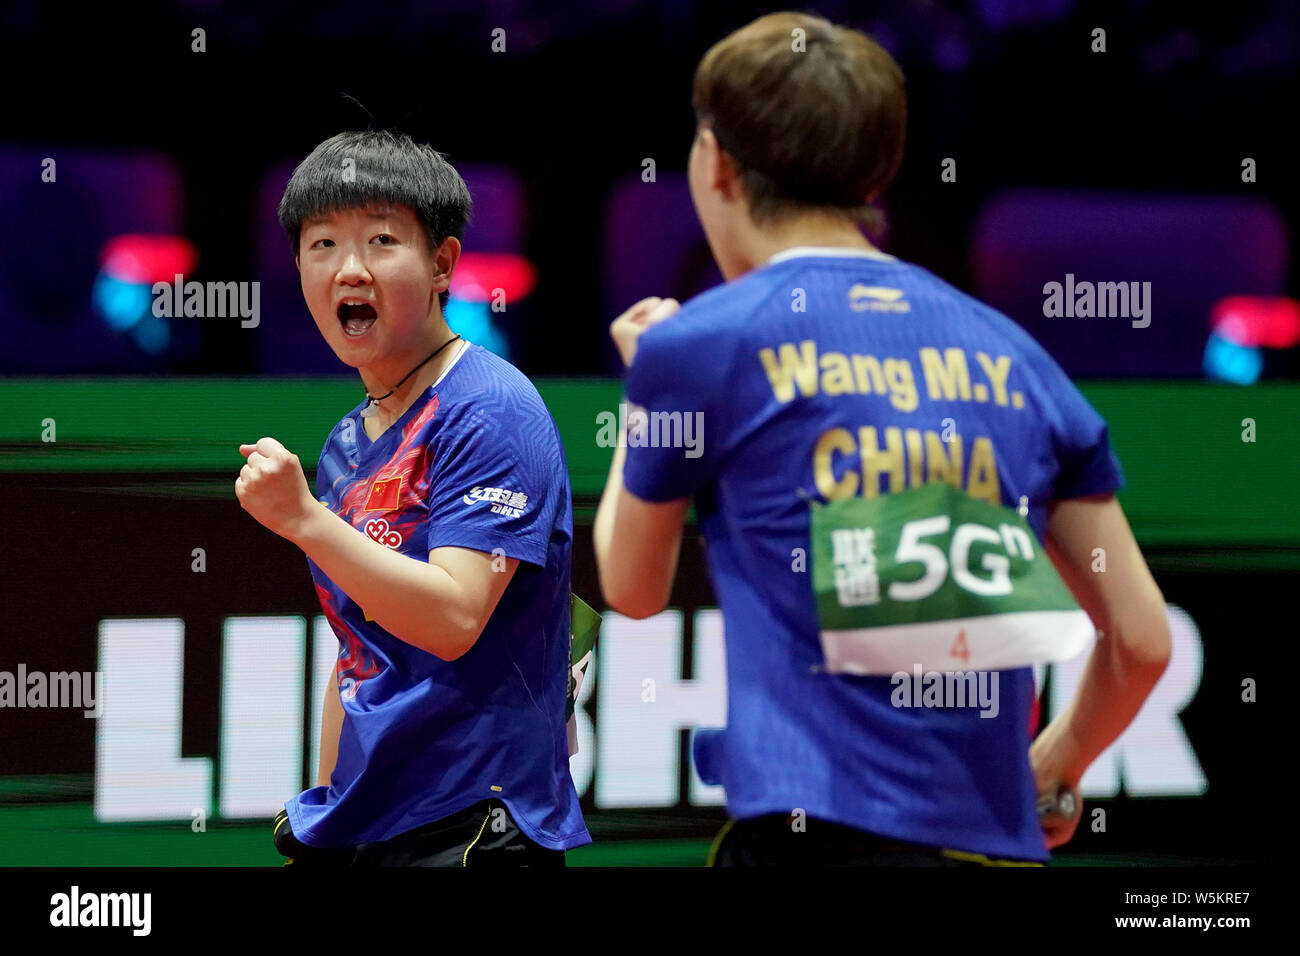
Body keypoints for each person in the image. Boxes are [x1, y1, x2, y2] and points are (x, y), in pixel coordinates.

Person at [593, 12, 1171, 866]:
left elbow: (631, 587)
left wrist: (648, 393)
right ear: (880, 169)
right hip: (994, 848)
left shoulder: (698, 347)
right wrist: (1055, 762)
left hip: (811, 843)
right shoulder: (1015, 355)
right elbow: (1142, 639)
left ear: (715, 161)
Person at [237, 129, 589, 866]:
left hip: (473, 827)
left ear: (443, 264)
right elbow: (358, 652)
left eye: (382, 241)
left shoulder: (491, 409)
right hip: (378, 821)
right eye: (323, 244)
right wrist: (332, 807)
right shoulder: (346, 443)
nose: (349, 269)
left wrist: (304, 522)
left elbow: (456, 616)